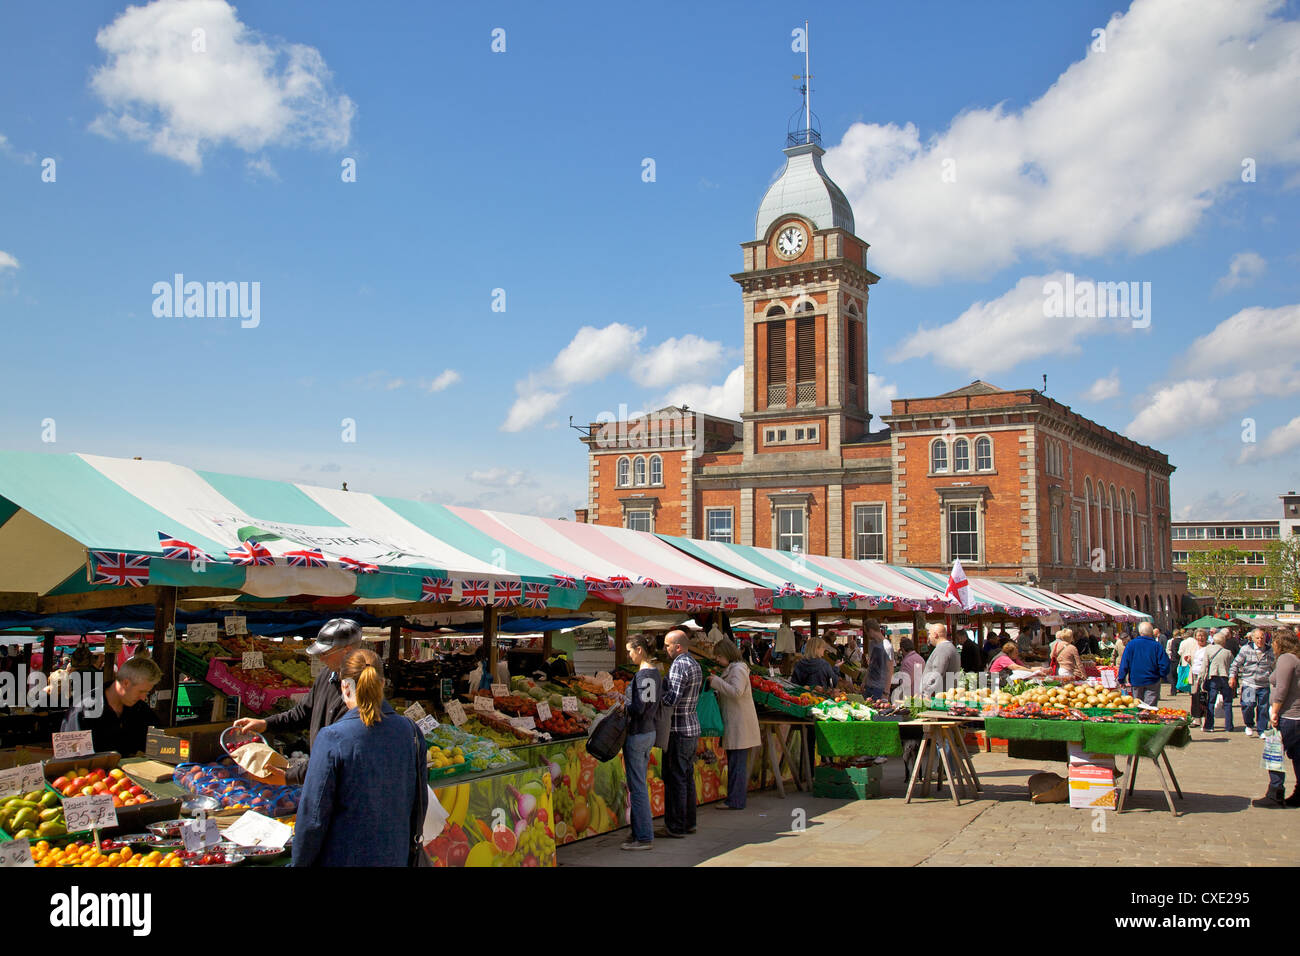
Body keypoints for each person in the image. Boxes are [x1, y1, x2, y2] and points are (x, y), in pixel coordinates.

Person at [292, 649, 428, 866]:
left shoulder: (332, 737)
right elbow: (419, 804)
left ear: (344, 687)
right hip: (396, 856)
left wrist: (299, 863)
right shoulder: (411, 732)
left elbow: (313, 818)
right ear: (382, 684)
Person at [233, 618, 361, 785]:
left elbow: (339, 751)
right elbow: (302, 713)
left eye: (325, 653)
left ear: (347, 651)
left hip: (343, 780)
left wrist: (291, 776)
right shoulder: (326, 676)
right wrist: (265, 724)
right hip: (321, 772)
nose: (321, 658)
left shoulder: (360, 691)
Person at [60, 656, 162, 756]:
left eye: (146, 693)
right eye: (141, 691)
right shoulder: (82, 710)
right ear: (126, 683)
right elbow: (70, 759)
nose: (143, 697)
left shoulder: (141, 709)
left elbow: (158, 745)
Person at [707, 637, 761, 811]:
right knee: (736, 763)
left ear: (726, 654)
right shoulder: (735, 668)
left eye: (718, 656)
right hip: (737, 722)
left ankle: (735, 801)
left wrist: (716, 682)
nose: (716, 659)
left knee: (737, 764)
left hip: (740, 724)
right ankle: (734, 799)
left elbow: (736, 692)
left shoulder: (738, 670)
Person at [658, 629, 702, 838]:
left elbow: (671, 699)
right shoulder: (694, 664)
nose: (664, 649)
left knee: (676, 777)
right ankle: (689, 822)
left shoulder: (678, 665)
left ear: (678, 646)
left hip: (677, 729)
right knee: (686, 776)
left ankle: (675, 825)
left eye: (667, 645)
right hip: (692, 727)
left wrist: (657, 698)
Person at [619, 634, 662, 850]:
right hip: (649, 732)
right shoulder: (655, 673)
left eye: (629, 650)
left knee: (637, 787)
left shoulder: (645, 675)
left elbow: (640, 707)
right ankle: (637, 832)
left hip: (638, 733)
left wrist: (624, 703)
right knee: (638, 784)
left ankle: (644, 837)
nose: (628, 654)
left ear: (639, 650)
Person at [1255, 628, 1300, 808]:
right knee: (1298, 756)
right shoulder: (1296, 658)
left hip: (1287, 716)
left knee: (1274, 753)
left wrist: (1275, 712)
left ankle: (1275, 792)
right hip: (1296, 715)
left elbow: (1281, 689)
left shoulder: (1286, 659)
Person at [1230, 628, 1275, 738]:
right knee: (1248, 705)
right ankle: (1249, 724)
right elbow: (1235, 664)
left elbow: (1275, 667)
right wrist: (1232, 677)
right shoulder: (1246, 649)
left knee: (1263, 708)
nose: (1260, 640)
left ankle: (1262, 729)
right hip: (1249, 683)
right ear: (1253, 638)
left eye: (1262, 638)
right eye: (1258, 638)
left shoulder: (1270, 650)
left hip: (1264, 683)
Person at [1117, 621, 1169, 706]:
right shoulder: (1156, 646)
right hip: (1152, 680)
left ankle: (1139, 718)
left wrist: (1121, 679)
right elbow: (1164, 664)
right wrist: (1161, 675)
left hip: (1136, 680)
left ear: (1140, 632)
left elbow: (1124, 663)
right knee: (1150, 707)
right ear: (1151, 633)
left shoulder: (1131, 645)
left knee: (1138, 705)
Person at [1202, 630, 1235, 733]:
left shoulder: (1208, 650)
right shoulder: (1228, 652)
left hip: (1213, 677)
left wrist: (1202, 678)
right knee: (1228, 702)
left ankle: (1209, 725)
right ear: (1223, 641)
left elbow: (1205, 666)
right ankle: (1228, 726)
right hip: (1225, 677)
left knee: (1211, 702)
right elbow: (1232, 666)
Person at [921, 623, 959, 698]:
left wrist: (925, 693)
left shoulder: (942, 649)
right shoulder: (951, 647)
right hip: (947, 694)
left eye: (929, 634)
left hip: (940, 697)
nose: (929, 637)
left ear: (935, 635)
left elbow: (937, 674)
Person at [860, 621, 894, 700]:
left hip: (879, 689)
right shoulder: (871, 644)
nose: (866, 635)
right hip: (869, 686)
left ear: (871, 631)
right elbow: (871, 664)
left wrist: (886, 692)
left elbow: (890, 670)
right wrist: (864, 681)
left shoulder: (887, 646)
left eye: (866, 632)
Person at [1187, 630, 1211, 727]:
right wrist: (1188, 660)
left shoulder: (1209, 648)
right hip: (1194, 674)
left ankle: (1206, 719)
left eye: (1202, 636)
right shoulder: (1194, 647)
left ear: (1206, 637)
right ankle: (1196, 719)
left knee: (1204, 698)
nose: (1200, 638)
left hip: (1204, 675)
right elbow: (1192, 660)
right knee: (1195, 697)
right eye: (1198, 636)